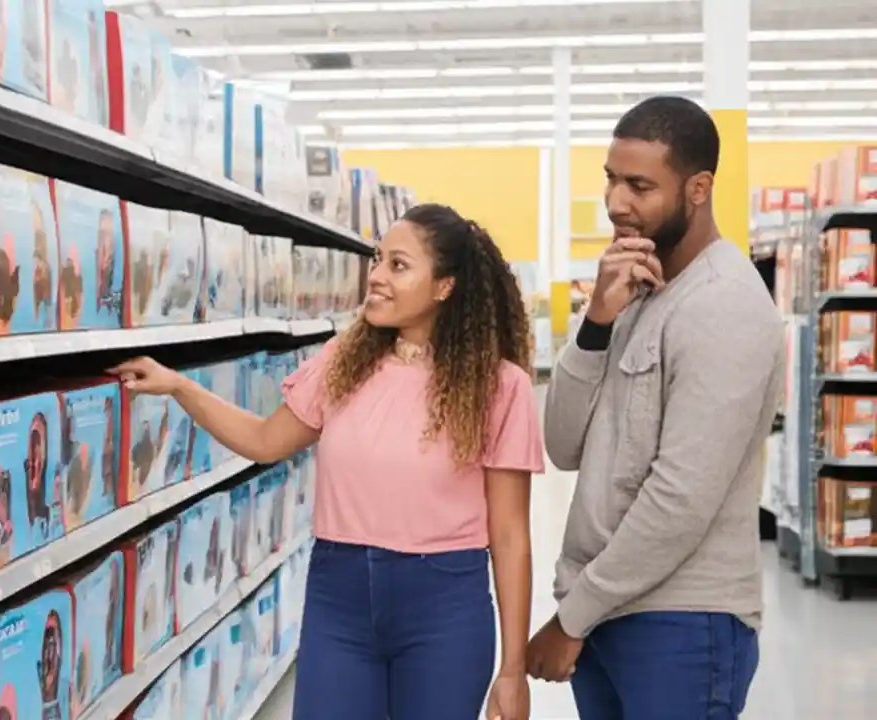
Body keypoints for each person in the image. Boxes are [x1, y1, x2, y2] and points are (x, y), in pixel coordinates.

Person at [111, 204, 545, 720]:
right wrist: (180, 386)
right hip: (339, 601)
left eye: (399, 266)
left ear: (444, 287)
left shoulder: (499, 388)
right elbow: (266, 440)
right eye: (378, 259)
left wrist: (513, 670)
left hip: (444, 610)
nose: (377, 276)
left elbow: (512, 533)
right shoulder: (345, 363)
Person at [526, 96, 784, 719]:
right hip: (612, 612)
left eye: (639, 185)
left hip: (681, 627)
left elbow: (679, 499)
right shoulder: (637, 291)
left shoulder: (724, 304)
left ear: (699, 188)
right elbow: (561, 445)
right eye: (612, 179)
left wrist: (571, 619)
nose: (616, 202)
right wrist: (596, 323)